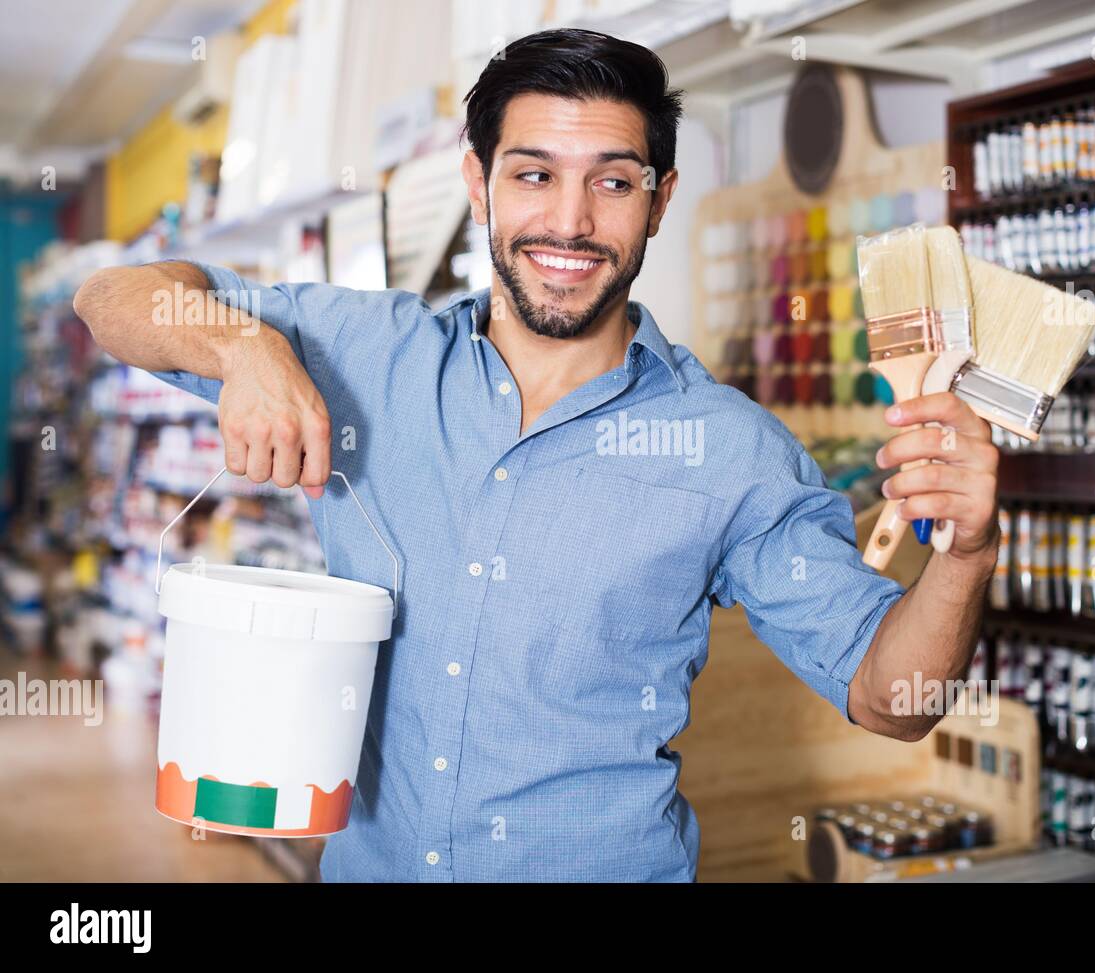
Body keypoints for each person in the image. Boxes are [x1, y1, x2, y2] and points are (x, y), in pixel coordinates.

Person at [74, 28, 999, 882]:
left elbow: (894, 698)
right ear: (478, 183)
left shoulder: (729, 453)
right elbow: (114, 296)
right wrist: (244, 349)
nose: (570, 222)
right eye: (532, 175)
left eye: (612, 180)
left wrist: (966, 553)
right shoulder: (363, 354)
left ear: (659, 198)